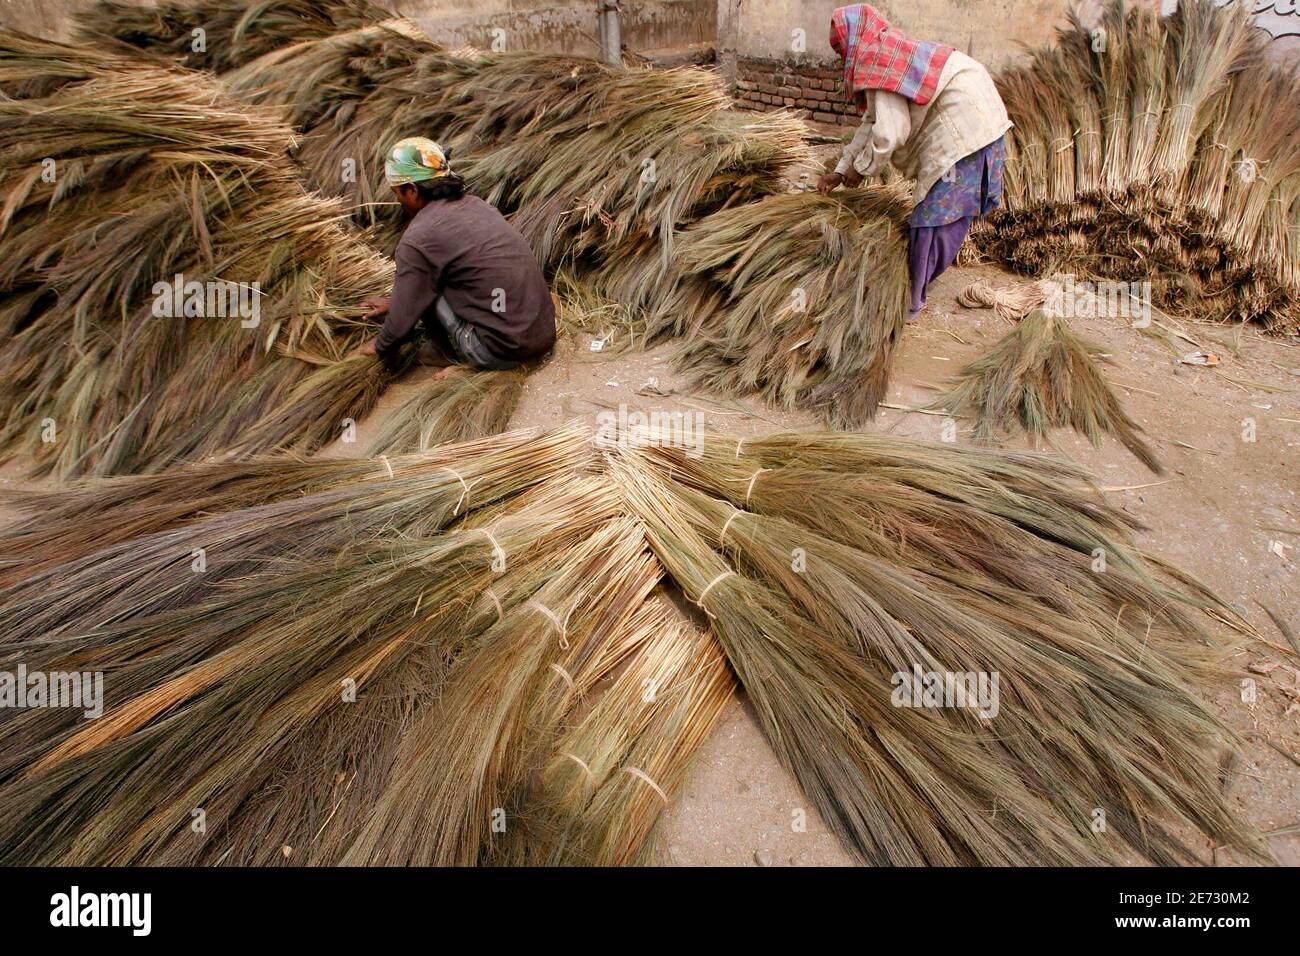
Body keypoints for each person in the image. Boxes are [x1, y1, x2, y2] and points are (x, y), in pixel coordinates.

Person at [817, 4, 1011, 317]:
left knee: (934, 216)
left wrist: (860, 171)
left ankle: (911, 296)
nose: (841, 56)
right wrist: (840, 171)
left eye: (841, 46)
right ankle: (916, 285)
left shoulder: (880, 62)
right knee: (937, 214)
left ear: (853, 39)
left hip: (966, 127)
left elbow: (890, 132)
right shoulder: (883, 57)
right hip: (978, 117)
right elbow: (871, 122)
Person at [354, 137, 556, 372]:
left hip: (502, 352)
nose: (398, 200)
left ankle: (448, 353)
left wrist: (380, 345)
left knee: (429, 284)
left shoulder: (418, 238)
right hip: (542, 336)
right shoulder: (476, 205)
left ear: (412, 190)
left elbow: (401, 324)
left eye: (398, 192)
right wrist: (395, 303)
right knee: (437, 275)